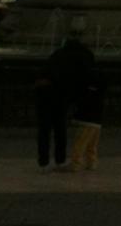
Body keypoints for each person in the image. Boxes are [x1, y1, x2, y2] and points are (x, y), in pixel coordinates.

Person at [35, 30, 96, 171]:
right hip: (62, 94)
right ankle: (60, 159)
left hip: (46, 93)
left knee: (44, 129)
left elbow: (45, 70)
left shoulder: (58, 54)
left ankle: (43, 162)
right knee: (60, 128)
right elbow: (85, 77)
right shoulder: (84, 56)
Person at [68, 81, 104, 172]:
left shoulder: (85, 90)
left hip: (88, 119)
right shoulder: (97, 89)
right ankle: (91, 162)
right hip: (96, 119)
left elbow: (83, 101)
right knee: (92, 143)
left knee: (81, 142)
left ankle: (76, 163)